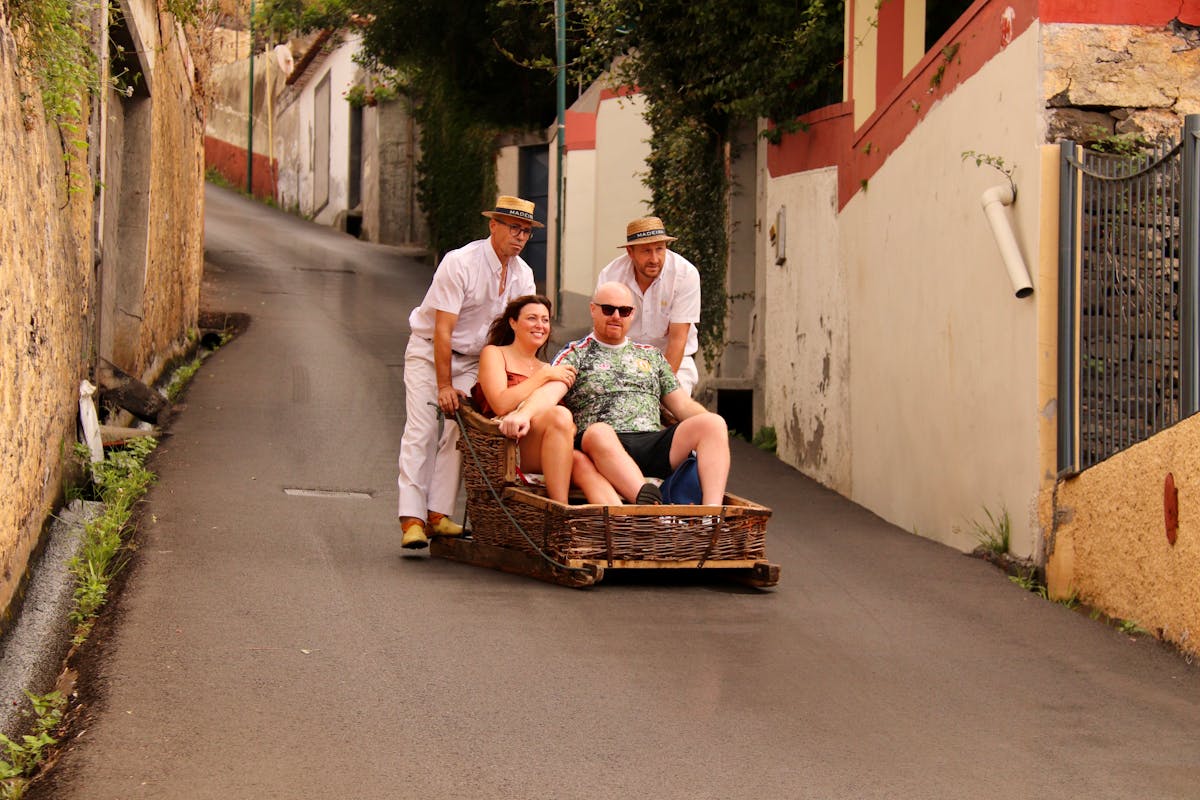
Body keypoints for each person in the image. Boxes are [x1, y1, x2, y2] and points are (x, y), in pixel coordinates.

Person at [499, 282, 730, 506]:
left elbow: (682, 405)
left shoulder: (651, 356)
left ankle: (712, 515)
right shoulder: (575, 353)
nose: (616, 316)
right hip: (601, 445)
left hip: (651, 440)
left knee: (713, 423)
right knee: (599, 432)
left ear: (632, 314)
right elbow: (550, 392)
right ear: (593, 309)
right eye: (608, 309)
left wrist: (714, 433)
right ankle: (647, 501)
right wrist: (524, 414)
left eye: (624, 310)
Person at [397, 195, 540, 549]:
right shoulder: (459, 262)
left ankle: (438, 514)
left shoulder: (524, 275)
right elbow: (443, 330)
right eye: (513, 227)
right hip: (431, 351)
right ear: (493, 225)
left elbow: (519, 331)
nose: (519, 236)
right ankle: (411, 519)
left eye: (525, 231)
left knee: (459, 432)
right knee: (422, 428)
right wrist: (444, 385)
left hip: (477, 359)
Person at [471, 295, 622, 505]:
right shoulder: (495, 354)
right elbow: (501, 403)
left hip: (549, 448)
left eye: (545, 320)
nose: (540, 325)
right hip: (507, 445)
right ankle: (560, 511)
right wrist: (543, 376)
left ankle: (620, 524)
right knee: (559, 415)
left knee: (581, 462)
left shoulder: (548, 368)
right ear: (513, 322)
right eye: (532, 318)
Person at [596, 216, 701, 395]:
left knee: (673, 409)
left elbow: (678, 340)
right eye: (646, 251)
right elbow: (604, 331)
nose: (654, 258)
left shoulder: (685, 274)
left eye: (659, 249)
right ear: (630, 252)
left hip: (674, 360)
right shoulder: (611, 275)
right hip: (621, 357)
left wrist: (659, 392)